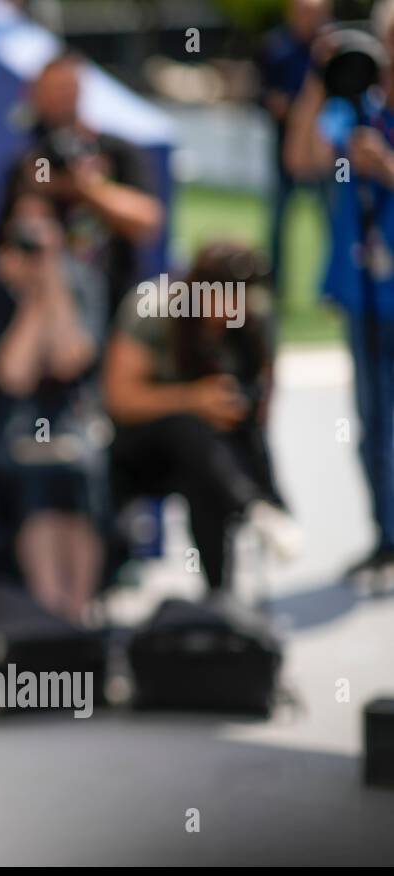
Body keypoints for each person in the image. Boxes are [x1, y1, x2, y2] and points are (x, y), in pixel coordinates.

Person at [102, 243, 303, 604]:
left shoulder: (254, 318)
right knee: (188, 427)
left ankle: (221, 600)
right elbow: (118, 400)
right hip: (141, 447)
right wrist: (191, 398)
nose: (233, 311)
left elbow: (261, 409)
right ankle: (253, 505)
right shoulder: (154, 307)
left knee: (211, 460)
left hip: (207, 459)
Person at [284, 1, 394, 593]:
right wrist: (316, 78)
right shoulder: (353, 113)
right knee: (373, 422)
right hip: (365, 294)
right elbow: (300, 160)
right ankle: (386, 537)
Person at [0, 188, 107, 623]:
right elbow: (13, 376)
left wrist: (53, 285)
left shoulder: (82, 286)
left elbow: (69, 361)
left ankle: (78, 613)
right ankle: (49, 614)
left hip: (69, 425)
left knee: (77, 474)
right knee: (38, 477)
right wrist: (31, 301)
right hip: (9, 426)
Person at [7, 50, 164, 320]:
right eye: (50, 91)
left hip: (114, 297)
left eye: (65, 90)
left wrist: (86, 188)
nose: (58, 100)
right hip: (45, 304)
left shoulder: (117, 152)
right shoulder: (27, 165)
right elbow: (3, 253)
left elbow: (148, 222)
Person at [257, 0, 333, 288]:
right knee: (278, 217)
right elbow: (264, 95)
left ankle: (331, 285)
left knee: (332, 218)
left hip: (326, 147)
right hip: (284, 145)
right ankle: (274, 284)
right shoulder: (276, 47)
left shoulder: (333, 47)